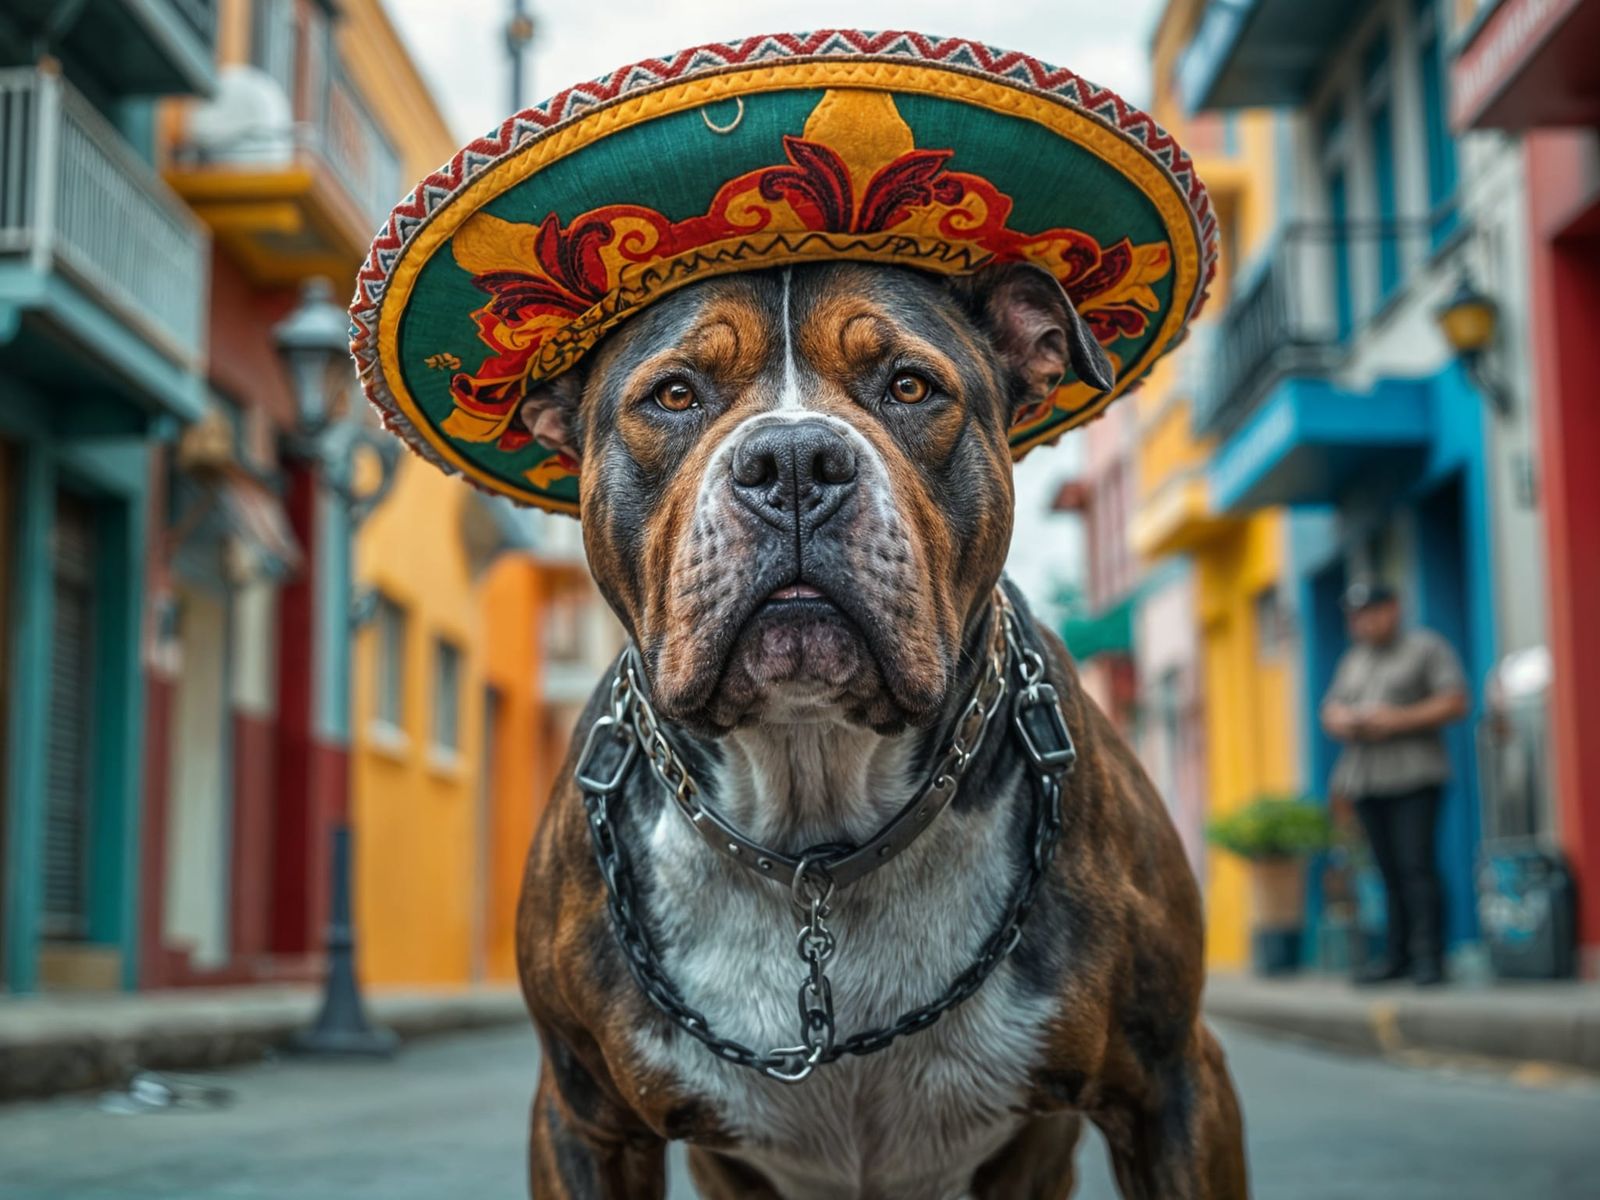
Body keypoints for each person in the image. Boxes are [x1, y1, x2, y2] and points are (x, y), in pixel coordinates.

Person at [1320, 582, 1470, 986]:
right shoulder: (1354, 661)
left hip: (1414, 776)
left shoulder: (1426, 648)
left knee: (1416, 867)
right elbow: (1329, 709)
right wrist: (1344, 720)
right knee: (1386, 872)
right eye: (1356, 616)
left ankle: (1431, 957)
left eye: (1371, 612)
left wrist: (1395, 719)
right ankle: (1397, 956)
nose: (1363, 622)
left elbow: (1455, 700)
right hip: (1367, 781)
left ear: (1393, 609)